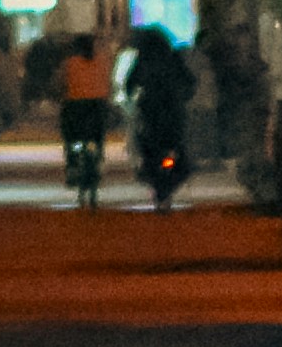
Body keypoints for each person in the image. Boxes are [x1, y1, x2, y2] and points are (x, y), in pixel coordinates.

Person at [125, 21, 196, 212]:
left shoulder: (143, 60)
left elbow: (130, 83)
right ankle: (168, 184)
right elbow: (189, 82)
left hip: (150, 112)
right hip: (173, 112)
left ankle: (155, 182)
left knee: (148, 148)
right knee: (177, 148)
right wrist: (185, 96)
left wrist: (132, 96)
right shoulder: (174, 57)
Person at [55, 29, 115, 207]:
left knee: (70, 134)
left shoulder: (69, 64)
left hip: (75, 107)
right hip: (98, 106)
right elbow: (108, 84)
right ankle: (97, 157)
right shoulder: (103, 61)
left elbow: (59, 84)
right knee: (97, 136)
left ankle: (73, 163)